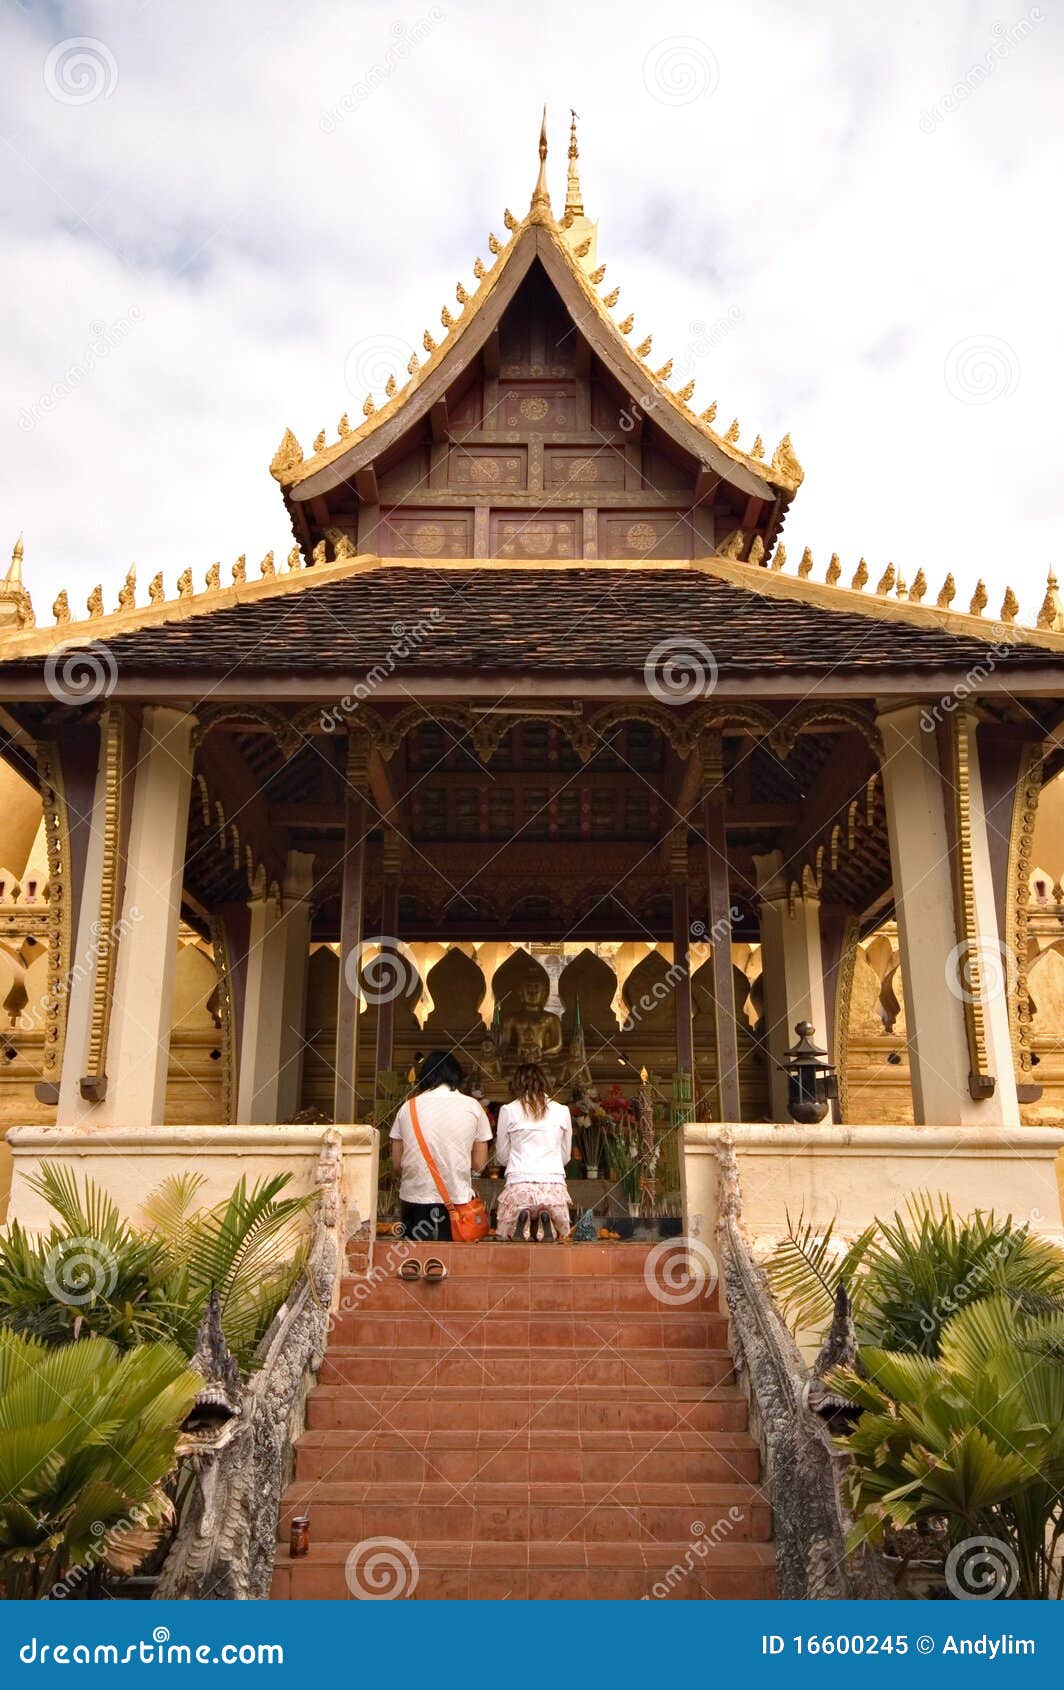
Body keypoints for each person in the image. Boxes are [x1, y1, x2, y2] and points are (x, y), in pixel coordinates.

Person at [390, 1050, 492, 1242]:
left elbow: (397, 1164)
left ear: (425, 1076)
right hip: (457, 1203)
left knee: (414, 1262)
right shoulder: (473, 1107)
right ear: (457, 1075)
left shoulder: (407, 1107)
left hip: (415, 1199)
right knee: (454, 1263)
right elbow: (479, 1164)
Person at [494, 1063, 573, 1241]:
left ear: (516, 1084)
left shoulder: (508, 1110)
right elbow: (566, 1156)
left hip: (519, 1181)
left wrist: (514, 1164)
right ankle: (546, 1218)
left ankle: (524, 1217)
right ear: (545, 1083)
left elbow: (501, 1155)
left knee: (508, 1235)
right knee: (559, 1238)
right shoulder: (562, 1111)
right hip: (553, 1183)